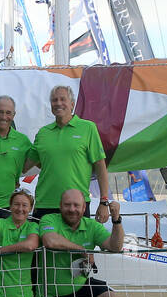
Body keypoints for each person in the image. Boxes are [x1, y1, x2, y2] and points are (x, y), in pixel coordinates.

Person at [40, 189, 124, 297]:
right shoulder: (49, 219)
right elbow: (49, 240)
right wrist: (81, 249)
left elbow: (115, 247)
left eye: (76, 205)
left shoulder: (91, 225)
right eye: (67, 205)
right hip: (52, 293)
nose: (72, 209)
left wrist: (116, 220)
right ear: (60, 206)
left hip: (79, 285)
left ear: (84, 208)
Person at [24, 85, 112, 222]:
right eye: (54, 100)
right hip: (44, 205)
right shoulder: (43, 133)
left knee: (77, 244)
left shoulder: (88, 128)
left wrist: (104, 202)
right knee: (44, 244)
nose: (58, 103)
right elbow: (26, 165)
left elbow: (100, 166)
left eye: (62, 99)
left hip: (76, 205)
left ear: (72, 104)